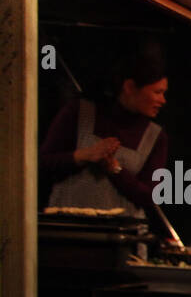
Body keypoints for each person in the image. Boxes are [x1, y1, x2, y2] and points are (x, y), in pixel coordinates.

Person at [40, 44, 174, 237]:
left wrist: (114, 168)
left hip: (123, 239)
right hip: (68, 232)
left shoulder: (155, 136)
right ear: (129, 87)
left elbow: (150, 196)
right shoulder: (80, 113)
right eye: (157, 92)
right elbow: (43, 163)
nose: (163, 100)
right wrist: (84, 155)